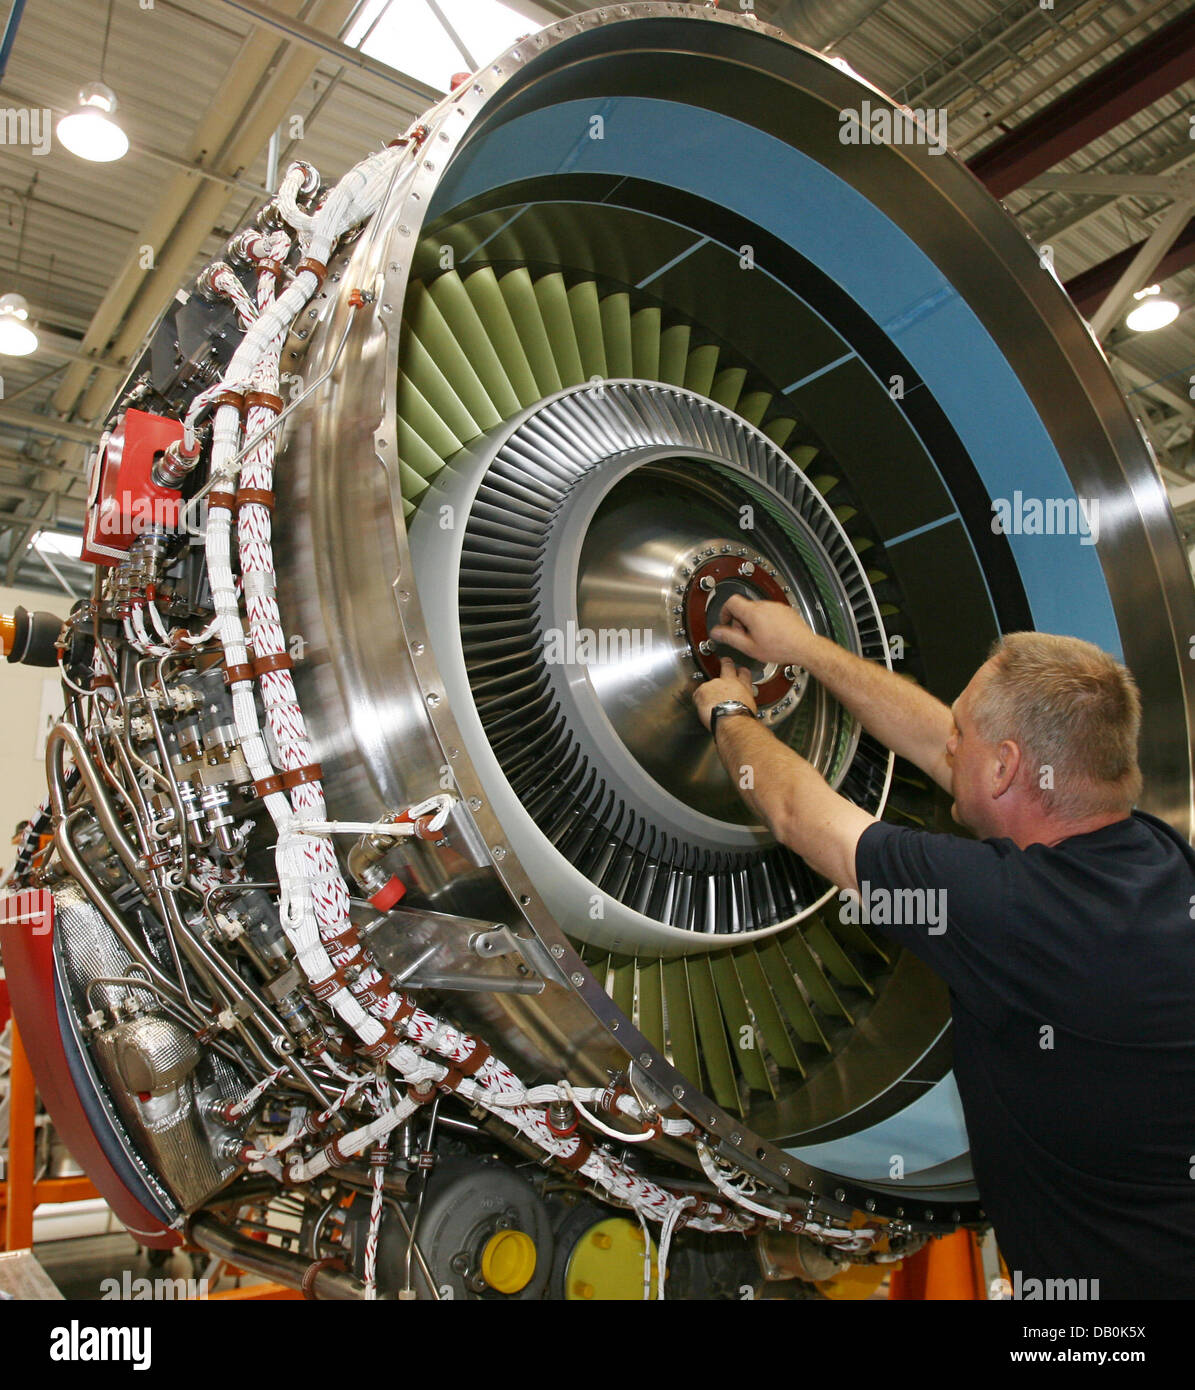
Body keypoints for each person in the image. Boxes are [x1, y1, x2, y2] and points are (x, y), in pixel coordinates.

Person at [694, 596, 1195, 1300]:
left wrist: (728, 711)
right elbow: (939, 745)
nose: (948, 742)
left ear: (1006, 767)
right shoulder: (1157, 855)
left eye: (965, 732)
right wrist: (804, 650)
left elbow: (798, 815)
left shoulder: (1004, 910)